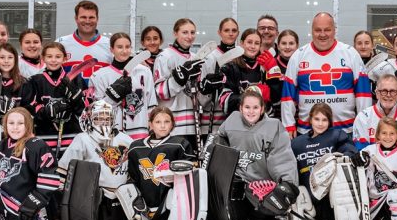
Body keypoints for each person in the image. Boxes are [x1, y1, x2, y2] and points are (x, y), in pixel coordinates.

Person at [205, 89, 300, 220]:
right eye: (247, 107)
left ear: (263, 109)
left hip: (262, 189)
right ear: (240, 108)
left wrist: (287, 184)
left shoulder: (274, 127)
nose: (251, 111)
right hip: (236, 185)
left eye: (255, 107)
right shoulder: (232, 121)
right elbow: (218, 142)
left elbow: (282, 157)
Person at [54, 99, 136, 220]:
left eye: (107, 118)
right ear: (90, 119)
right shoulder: (83, 138)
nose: (104, 122)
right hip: (93, 197)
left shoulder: (125, 140)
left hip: (122, 196)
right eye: (99, 118)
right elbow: (65, 168)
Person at [280, 12, 372, 138]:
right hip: (307, 132)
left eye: (327, 30)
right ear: (312, 31)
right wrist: (288, 124)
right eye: (318, 30)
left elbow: (363, 94)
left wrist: (364, 124)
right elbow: (288, 95)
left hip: (345, 131)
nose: (322, 34)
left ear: (334, 30)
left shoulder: (351, 54)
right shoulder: (298, 56)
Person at [290, 102, 359, 220]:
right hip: (307, 194)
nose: (320, 123)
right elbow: (289, 167)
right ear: (310, 119)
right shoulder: (297, 143)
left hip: (330, 194)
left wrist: (351, 155)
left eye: (324, 120)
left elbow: (349, 150)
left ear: (330, 121)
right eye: (317, 119)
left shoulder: (336, 135)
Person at [20, 42, 87, 150]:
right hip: (43, 136)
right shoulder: (34, 80)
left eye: (58, 56)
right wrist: (47, 111)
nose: (53, 60)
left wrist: (75, 99)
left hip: (72, 137)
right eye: (49, 56)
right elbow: (28, 108)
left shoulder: (76, 80)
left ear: (65, 58)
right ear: (43, 58)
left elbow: (85, 110)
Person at [154, 18, 207, 153]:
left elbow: (199, 97)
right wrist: (178, 80)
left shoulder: (195, 58)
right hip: (172, 126)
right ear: (175, 33)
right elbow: (159, 92)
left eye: (192, 32)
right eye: (185, 32)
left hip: (193, 126)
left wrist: (206, 87)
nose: (189, 37)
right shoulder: (164, 57)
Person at [89, 32, 156, 139]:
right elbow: (97, 111)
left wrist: (153, 129)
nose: (124, 51)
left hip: (140, 132)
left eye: (127, 47)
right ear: (111, 49)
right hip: (112, 134)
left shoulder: (144, 71)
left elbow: (151, 103)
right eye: (120, 47)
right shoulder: (99, 76)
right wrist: (112, 96)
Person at [214, 29, 281, 117]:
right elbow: (225, 102)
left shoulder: (264, 67)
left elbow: (276, 102)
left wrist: (274, 76)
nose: (253, 46)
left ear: (260, 46)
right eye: (249, 42)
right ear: (241, 43)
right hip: (238, 123)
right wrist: (253, 94)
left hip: (263, 122)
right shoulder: (229, 67)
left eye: (257, 43)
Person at [352, 73, 397, 148]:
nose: (388, 95)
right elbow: (361, 152)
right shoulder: (363, 118)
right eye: (384, 91)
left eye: (393, 91)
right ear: (377, 93)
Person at [59, 0, 111, 83]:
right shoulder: (61, 43)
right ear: (76, 19)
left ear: (97, 19)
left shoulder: (109, 45)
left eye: (91, 17)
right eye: (83, 17)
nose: (87, 21)